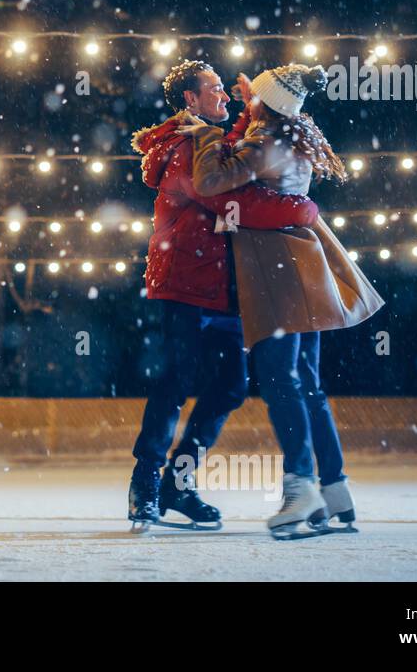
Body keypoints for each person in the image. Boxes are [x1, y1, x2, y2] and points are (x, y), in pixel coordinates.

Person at [179, 64, 385, 536]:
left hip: (276, 270)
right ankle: (335, 492)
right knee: (307, 382)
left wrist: (207, 134)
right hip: (302, 263)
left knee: (280, 378)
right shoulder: (290, 133)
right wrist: (257, 100)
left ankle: (300, 488)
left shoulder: (264, 141)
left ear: (265, 104)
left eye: (254, 98)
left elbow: (212, 182)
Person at [127, 60, 321, 528]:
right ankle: (146, 484)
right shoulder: (183, 145)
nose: (225, 96)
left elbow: (238, 163)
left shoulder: (213, 139)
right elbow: (225, 198)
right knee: (177, 379)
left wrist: (255, 106)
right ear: (190, 99)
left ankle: (180, 482)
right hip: (186, 283)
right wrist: (300, 208)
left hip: (224, 289)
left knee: (232, 385)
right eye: (213, 89)